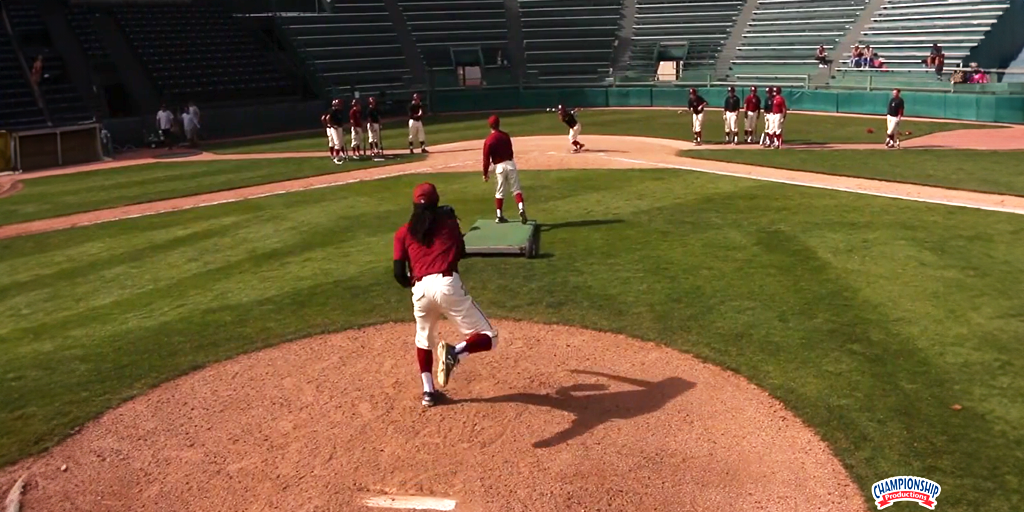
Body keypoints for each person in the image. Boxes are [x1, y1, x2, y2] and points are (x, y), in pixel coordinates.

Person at [393, 182, 498, 408]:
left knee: (423, 340)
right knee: (489, 337)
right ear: (437, 202)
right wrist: (450, 219)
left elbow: (399, 274)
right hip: (446, 283)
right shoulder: (448, 224)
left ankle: (428, 392)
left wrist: (417, 284)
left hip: (420, 289)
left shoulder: (403, 232)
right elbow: (461, 251)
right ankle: (456, 352)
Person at [482, 115, 527, 224]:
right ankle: (521, 208)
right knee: (516, 189)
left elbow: (486, 159)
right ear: (499, 124)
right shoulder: (505, 136)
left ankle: (499, 215)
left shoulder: (489, 140)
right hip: (510, 164)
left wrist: (485, 173)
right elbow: (511, 151)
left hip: (499, 167)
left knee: (500, 192)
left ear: (489, 125)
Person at [324, 99, 348, 164]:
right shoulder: (333, 111)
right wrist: (332, 126)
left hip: (339, 127)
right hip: (335, 128)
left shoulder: (339, 111)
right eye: (339, 104)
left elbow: (340, 121)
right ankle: (336, 157)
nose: (340, 105)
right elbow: (327, 118)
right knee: (337, 143)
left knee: (340, 142)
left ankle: (338, 156)